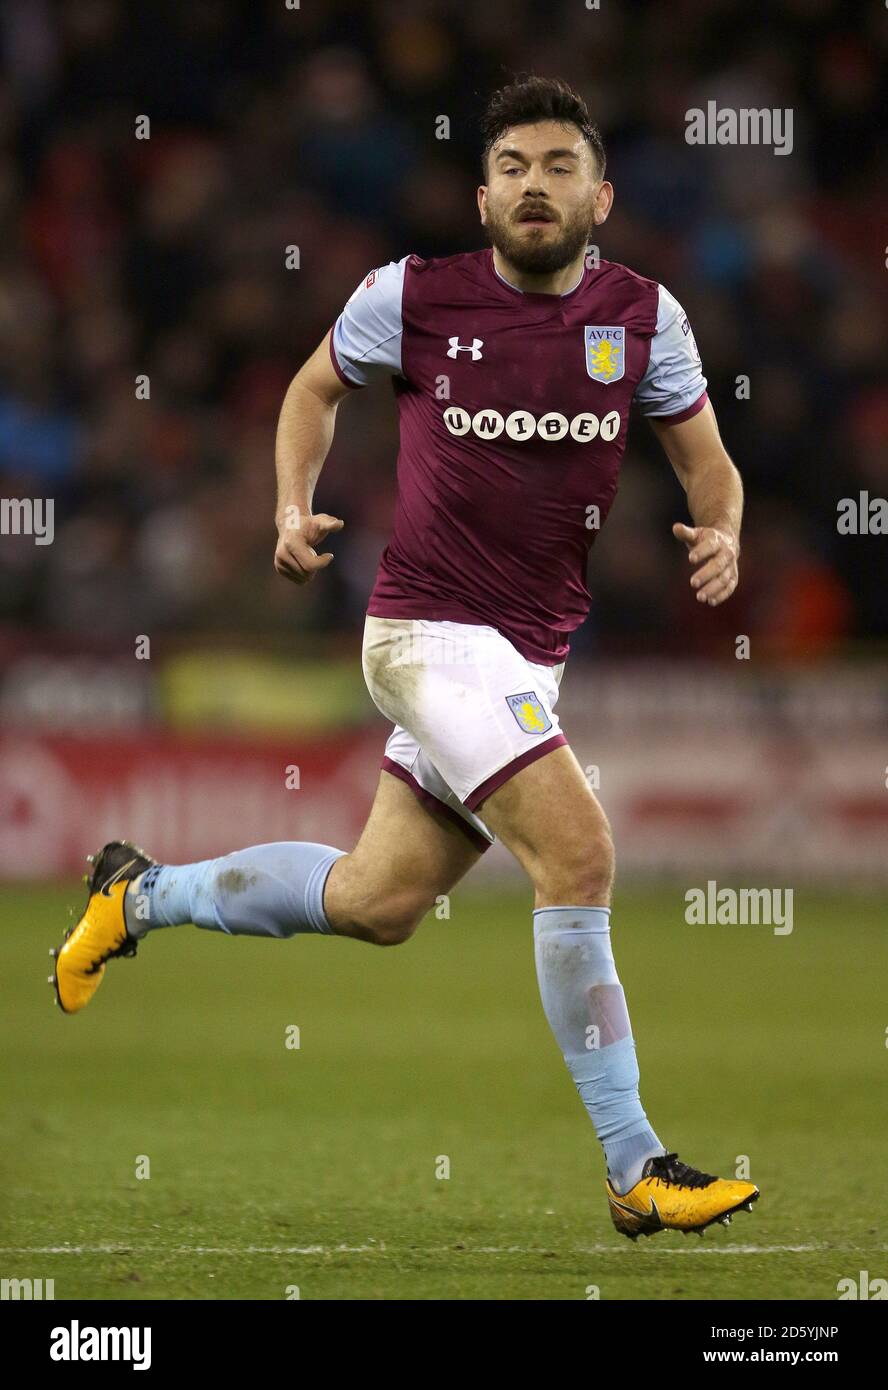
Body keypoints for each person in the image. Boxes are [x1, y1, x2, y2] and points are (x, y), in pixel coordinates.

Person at [52, 76, 757, 1240]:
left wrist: (723, 527)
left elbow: (706, 461)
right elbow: (311, 389)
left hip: (531, 657)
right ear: (483, 197)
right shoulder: (415, 296)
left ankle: (137, 895)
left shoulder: (646, 318)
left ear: (603, 193)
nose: (538, 186)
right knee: (578, 853)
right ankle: (638, 1167)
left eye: (561, 166)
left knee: (375, 901)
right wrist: (290, 506)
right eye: (516, 169)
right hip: (426, 636)